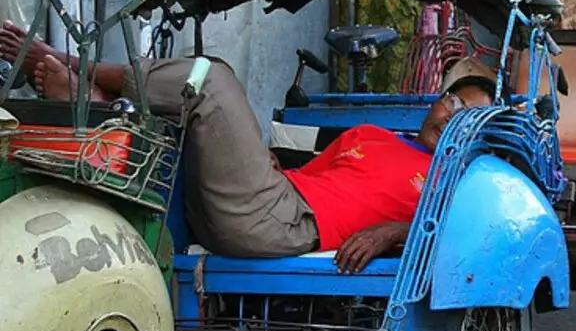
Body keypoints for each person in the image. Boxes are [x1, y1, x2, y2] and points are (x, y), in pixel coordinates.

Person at [0, 21, 495, 272]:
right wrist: (267, 164)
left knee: (210, 80)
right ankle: (104, 103)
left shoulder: (458, 180)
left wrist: (392, 231)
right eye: (452, 99)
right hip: (268, 197)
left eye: (468, 114)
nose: (452, 112)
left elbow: (469, 232)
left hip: (281, 227)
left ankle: (78, 71)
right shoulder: (374, 136)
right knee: (204, 81)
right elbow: (312, 179)